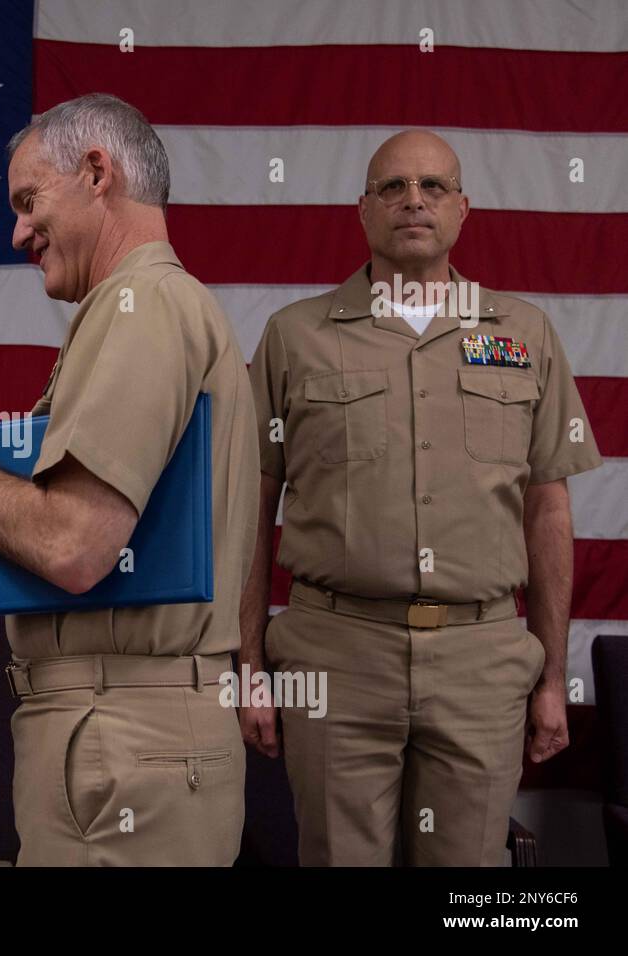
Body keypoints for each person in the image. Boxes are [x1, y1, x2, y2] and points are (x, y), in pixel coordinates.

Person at [0, 93, 259, 865]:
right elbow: (87, 571)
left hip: (124, 736)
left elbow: (72, 548)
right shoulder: (139, 306)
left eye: (29, 201)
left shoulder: (140, 306)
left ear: (97, 173)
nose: (18, 231)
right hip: (120, 732)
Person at [240, 130, 603, 865]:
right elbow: (249, 511)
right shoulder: (294, 337)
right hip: (335, 657)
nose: (414, 200)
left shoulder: (523, 333)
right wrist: (248, 667)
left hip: (482, 659)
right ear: (363, 211)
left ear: (463, 209)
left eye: (433, 186)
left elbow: (548, 510)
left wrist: (552, 676)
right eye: (393, 188)